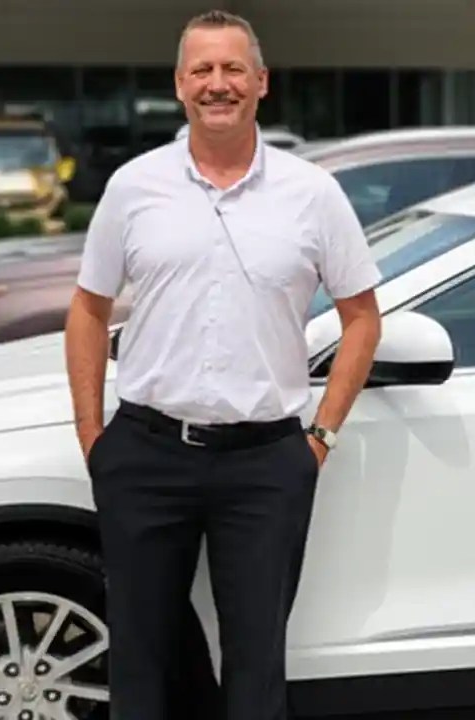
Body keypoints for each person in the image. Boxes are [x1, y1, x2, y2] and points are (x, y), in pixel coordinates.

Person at [64, 9, 382, 720]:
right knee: (142, 662)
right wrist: (93, 435)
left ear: (261, 82)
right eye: (202, 70)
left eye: (233, 68)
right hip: (145, 454)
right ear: (180, 85)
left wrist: (320, 436)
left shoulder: (311, 193)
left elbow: (363, 317)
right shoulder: (134, 187)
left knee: (256, 663)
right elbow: (88, 309)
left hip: (266, 464)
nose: (218, 84)